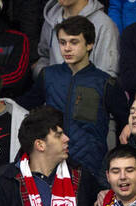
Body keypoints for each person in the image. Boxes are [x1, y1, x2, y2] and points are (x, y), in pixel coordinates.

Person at [26, 15, 127, 180]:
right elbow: (26, 105)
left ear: (89, 44)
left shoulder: (105, 83)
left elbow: (125, 124)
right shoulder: (48, 75)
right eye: (62, 42)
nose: (67, 48)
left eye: (74, 42)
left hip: (90, 168)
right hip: (51, 164)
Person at [34, 0, 120, 78]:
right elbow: (44, 56)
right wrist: (43, 76)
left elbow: (108, 73)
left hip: (87, 94)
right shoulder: (51, 17)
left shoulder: (104, 25)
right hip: (53, 93)